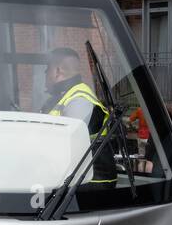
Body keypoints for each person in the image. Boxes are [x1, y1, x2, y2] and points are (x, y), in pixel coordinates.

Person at [41, 47, 116, 185]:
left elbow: (68, 144)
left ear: (57, 71)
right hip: (80, 180)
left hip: (92, 183)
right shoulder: (65, 96)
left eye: (47, 70)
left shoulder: (79, 99)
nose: (45, 74)